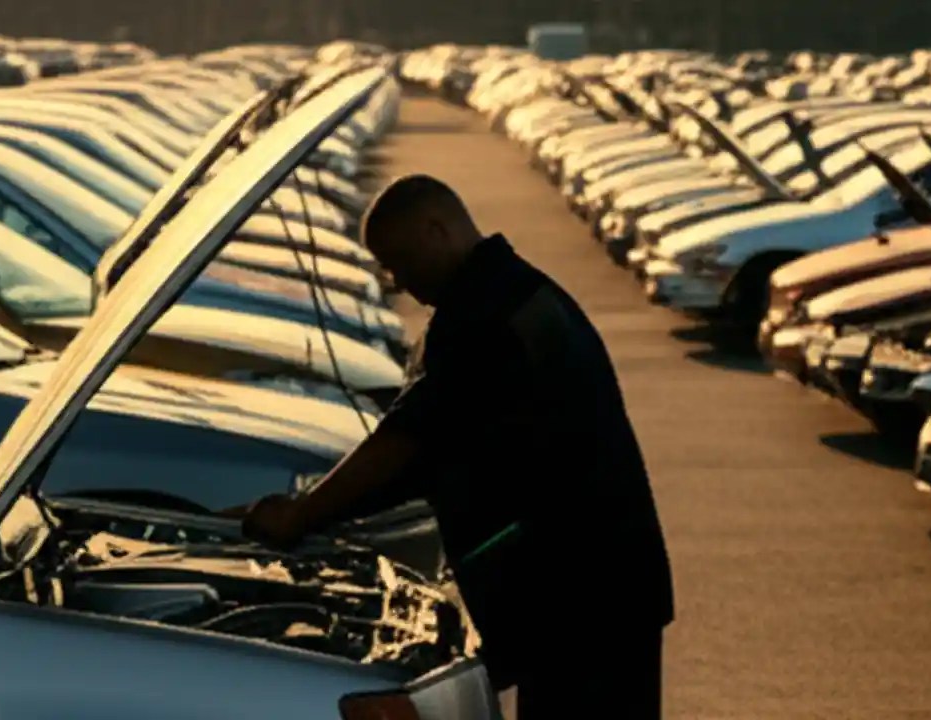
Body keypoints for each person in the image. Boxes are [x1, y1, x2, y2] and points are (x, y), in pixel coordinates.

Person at [229, 174, 673, 718]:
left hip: (587, 599)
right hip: (593, 592)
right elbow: (432, 448)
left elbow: (411, 441)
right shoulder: (515, 294)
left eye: (400, 261)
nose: (399, 281)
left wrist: (303, 514)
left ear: (437, 230)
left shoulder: (489, 314)